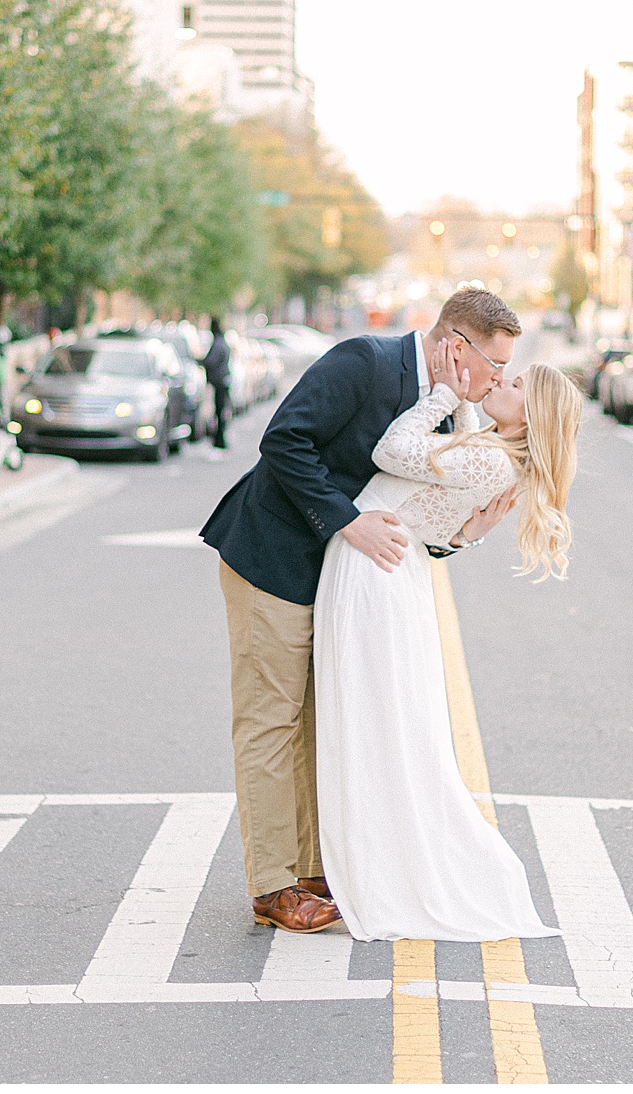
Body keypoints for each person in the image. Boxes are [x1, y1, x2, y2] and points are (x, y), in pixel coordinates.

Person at [199, 287, 522, 933]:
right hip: (273, 556)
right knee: (273, 720)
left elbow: (410, 506)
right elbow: (283, 440)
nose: (498, 380)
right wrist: (347, 522)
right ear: (456, 347)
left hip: (336, 579)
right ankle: (273, 884)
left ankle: (315, 868)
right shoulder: (365, 362)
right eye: (495, 364)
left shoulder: (449, 409)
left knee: (321, 721)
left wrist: (456, 535)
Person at [315, 354, 584, 941]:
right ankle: (370, 857)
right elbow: (433, 519)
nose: (499, 383)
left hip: (375, 571)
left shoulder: (490, 462)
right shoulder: (487, 450)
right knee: (375, 719)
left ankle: (380, 866)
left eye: (513, 384)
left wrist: (440, 395)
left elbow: (391, 455)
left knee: (372, 721)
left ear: (530, 413)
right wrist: (465, 531)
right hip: (383, 565)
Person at [201, 317, 233, 450]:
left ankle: (219, 439)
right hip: (223, 381)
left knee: (219, 412)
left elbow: (211, 361)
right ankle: (219, 438)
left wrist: (200, 361)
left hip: (219, 382)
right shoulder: (222, 342)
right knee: (221, 411)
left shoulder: (218, 343)